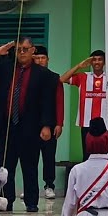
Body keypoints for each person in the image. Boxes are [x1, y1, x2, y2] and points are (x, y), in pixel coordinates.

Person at [0, 38, 58, 213]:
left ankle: (31, 202)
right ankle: (7, 201)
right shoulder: (6, 67)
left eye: (25, 49)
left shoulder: (43, 74)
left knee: (30, 166)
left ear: (33, 50)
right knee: (6, 167)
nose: (22, 52)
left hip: (30, 127)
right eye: (18, 49)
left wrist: (46, 125)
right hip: (7, 126)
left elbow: (48, 102)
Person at [33, 46, 66, 199]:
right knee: (30, 157)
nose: (40, 61)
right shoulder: (28, 77)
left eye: (43, 58)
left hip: (50, 124)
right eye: (37, 58)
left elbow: (59, 101)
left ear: (48, 60)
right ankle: (30, 186)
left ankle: (49, 185)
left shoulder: (54, 78)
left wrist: (59, 123)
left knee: (49, 156)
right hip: (30, 124)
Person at [61, 50, 108, 142]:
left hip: (105, 123)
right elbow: (62, 79)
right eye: (94, 60)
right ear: (90, 62)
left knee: (104, 150)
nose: (97, 62)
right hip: (86, 123)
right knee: (87, 150)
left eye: (100, 59)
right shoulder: (83, 76)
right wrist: (79, 66)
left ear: (104, 62)